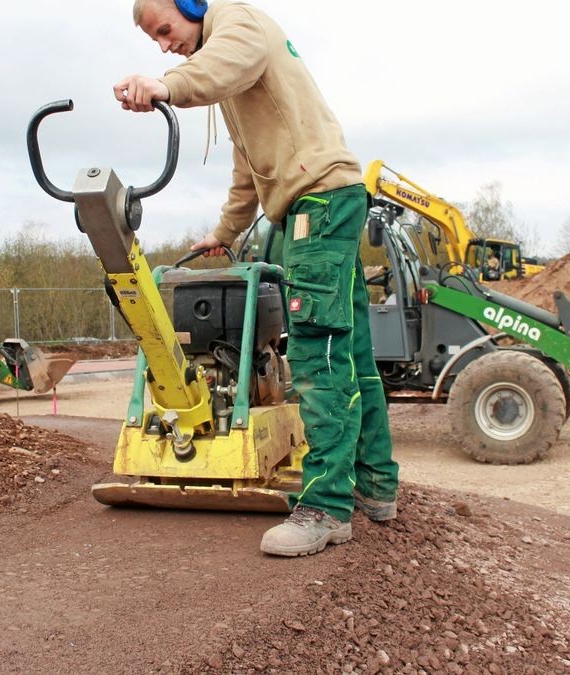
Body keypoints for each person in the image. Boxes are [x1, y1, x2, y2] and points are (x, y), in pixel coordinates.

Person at [115, 0, 399, 557]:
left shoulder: (237, 24)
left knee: (316, 355)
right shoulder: (231, 73)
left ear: (194, 6)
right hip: (323, 200)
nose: (165, 44)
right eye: (155, 41)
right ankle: (375, 485)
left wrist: (165, 85)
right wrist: (223, 231)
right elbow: (249, 167)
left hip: (318, 203)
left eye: (166, 30)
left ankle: (326, 507)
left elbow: (219, 65)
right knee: (352, 354)